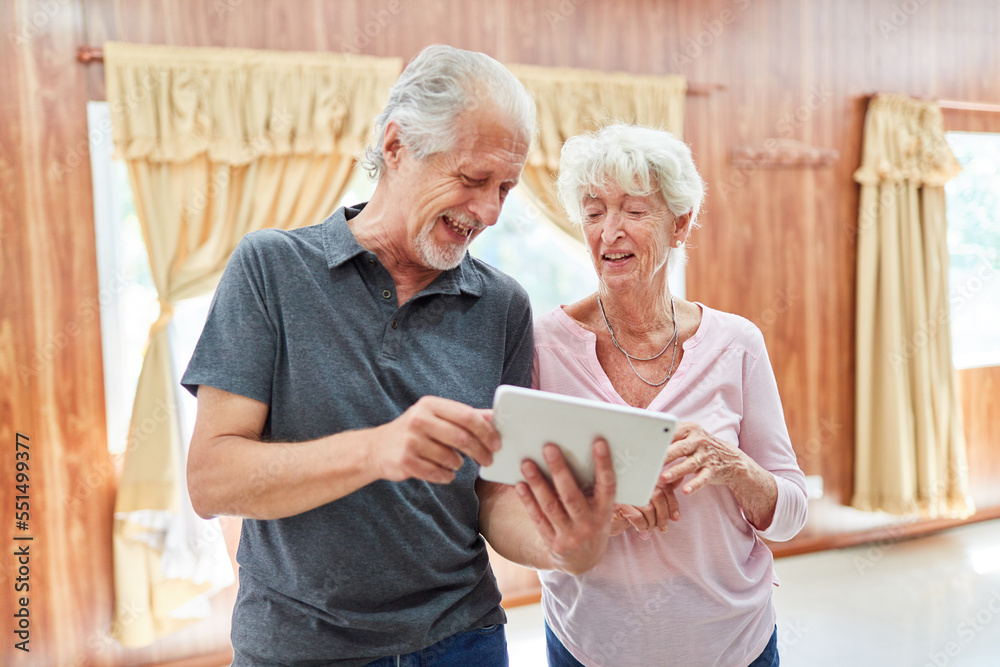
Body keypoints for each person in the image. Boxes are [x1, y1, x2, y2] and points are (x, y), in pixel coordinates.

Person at [182, 45, 616, 667]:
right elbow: (212, 480)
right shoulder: (271, 268)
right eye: (471, 180)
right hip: (300, 647)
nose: (489, 212)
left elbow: (492, 497)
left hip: (462, 640)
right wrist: (378, 449)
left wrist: (566, 549)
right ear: (396, 146)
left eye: (505, 188)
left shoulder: (502, 306)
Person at [533, 123, 808, 667]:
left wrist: (732, 465)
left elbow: (790, 514)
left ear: (680, 224)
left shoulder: (737, 342)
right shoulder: (541, 344)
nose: (610, 231)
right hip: (587, 646)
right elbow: (517, 507)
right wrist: (599, 510)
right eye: (593, 212)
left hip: (733, 645)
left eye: (634, 211)